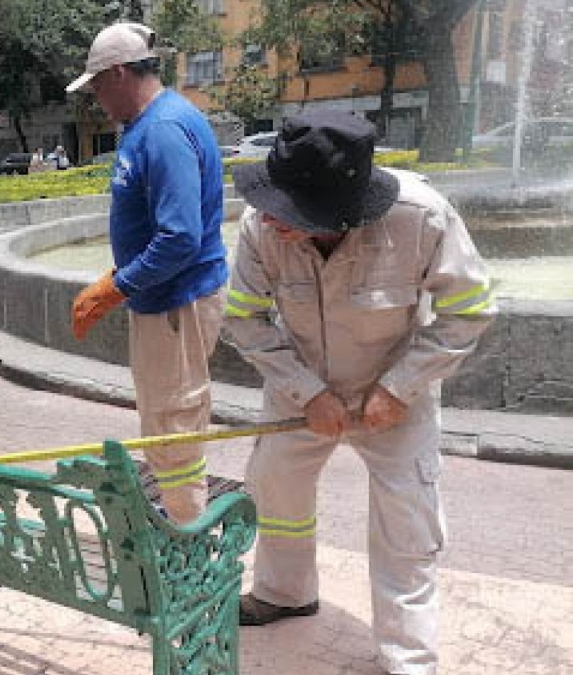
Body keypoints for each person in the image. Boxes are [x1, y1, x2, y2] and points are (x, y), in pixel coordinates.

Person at [225, 111, 496, 675]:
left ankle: (410, 659)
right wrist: (306, 392)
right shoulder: (260, 226)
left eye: (290, 213)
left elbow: (470, 310)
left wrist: (399, 388)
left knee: (408, 523)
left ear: (338, 213)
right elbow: (244, 319)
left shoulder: (421, 216)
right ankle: (284, 591)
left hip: (394, 394)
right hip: (301, 387)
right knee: (276, 487)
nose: (273, 221)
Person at [66, 22, 228, 524]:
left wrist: (115, 287)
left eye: (96, 84)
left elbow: (180, 237)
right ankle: (180, 515)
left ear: (118, 73)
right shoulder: (152, 124)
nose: (94, 97)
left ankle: (185, 533)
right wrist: (124, 276)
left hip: (175, 302)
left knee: (174, 425)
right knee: (165, 417)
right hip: (163, 300)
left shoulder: (162, 130)